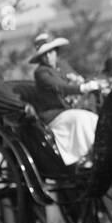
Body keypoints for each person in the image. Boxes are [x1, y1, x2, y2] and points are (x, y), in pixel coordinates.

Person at [30, 32, 102, 166]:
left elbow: (75, 78)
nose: (48, 56)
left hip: (70, 110)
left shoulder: (63, 65)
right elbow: (60, 86)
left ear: (56, 52)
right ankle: (82, 157)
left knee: (93, 118)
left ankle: (96, 152)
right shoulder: (41, 72)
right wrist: (82, 88)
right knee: (80, 119)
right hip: (54, 115)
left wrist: (85, 82)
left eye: (50, 52)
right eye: (44, 55)